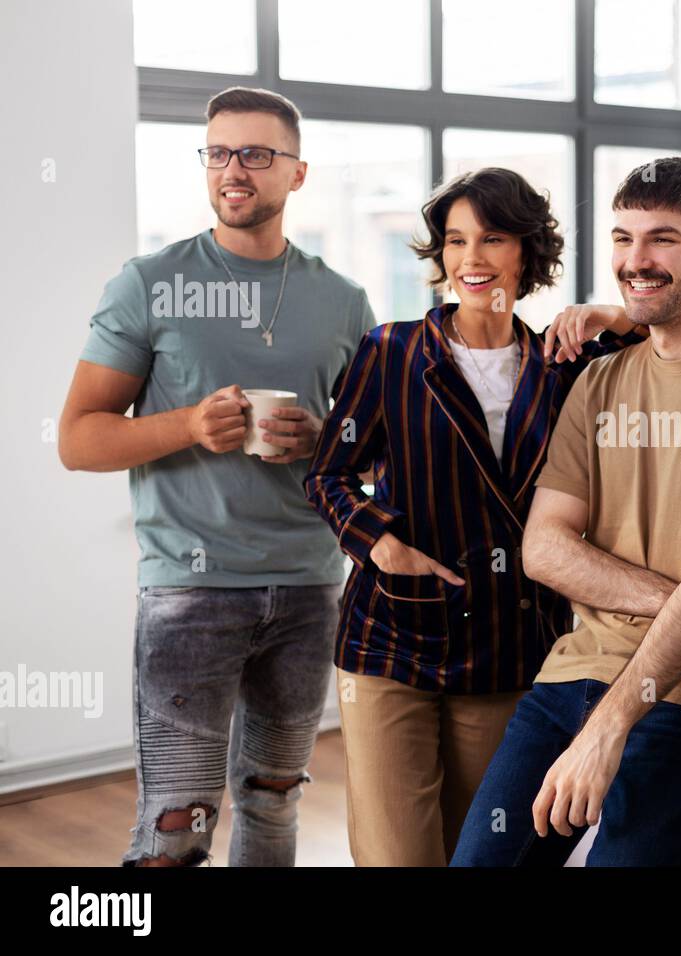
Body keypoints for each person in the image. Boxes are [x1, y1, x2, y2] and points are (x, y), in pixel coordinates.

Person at [304, 166, 681, 866]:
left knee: (485, 845)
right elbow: (328, 473)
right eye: (455, 241)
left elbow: (666, 324)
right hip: (393, 639)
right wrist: (381, 548)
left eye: (491, 238)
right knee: (396, 853)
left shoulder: (566, 361)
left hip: (508, 643)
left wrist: (609, 315)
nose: (471, 259)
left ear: (527, 252)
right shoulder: (391, 352)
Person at [450, 156, 681, 867]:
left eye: (662, 239)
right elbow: (544, 549)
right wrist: (680, 597)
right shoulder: (599, 380)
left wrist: (609, 726)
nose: (635, 260)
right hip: (573, 674)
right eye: (622, 238)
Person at [58, 87, 375, 866]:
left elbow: (382, 450)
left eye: (257, 155)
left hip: (309, 587)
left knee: (274, 798)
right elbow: (78, 439)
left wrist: (327, 440)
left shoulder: (343, 301)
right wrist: (188, 425)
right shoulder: (150, 284)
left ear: (296, 174)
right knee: (178, 824)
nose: (235, 170)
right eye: (220, 152)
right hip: (188, 595)